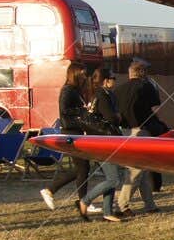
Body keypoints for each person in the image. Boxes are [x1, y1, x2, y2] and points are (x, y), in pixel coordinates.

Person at [40, 65, 94, 218]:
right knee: (82, 167)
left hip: (76, 130)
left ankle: (82, 200)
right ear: (75, 74)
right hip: (70, 132)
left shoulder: (76, 90)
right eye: (82, 74)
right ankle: (52, 190)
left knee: (83, 167)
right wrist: (82, 111)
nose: (84, 77)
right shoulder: (68, 90)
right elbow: (64, 110)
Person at [113, 58, 164, 214]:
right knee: (136, 169)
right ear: (143, 73)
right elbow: (156, 108)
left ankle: (149, 204)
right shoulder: (146, 86)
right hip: (141, 131)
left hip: (124, 131)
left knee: (143, 169)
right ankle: (121, 205)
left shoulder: (118, 90)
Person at [82, 67, 127, 222]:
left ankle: (107, 212)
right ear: (105, 80)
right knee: (114, 179)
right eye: (112, 78)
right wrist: (118, 116)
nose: (115, 81)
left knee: (112, 177)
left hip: (107, 140)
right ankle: (85, 201)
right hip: (102, 142)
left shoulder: (106, 95)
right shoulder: (101, 96)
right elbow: (111, 118)